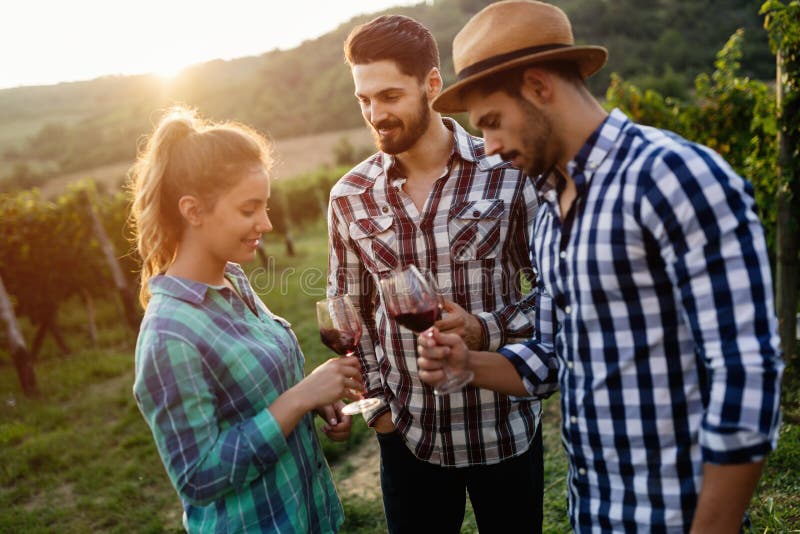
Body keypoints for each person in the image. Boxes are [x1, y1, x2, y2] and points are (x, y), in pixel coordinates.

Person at [417, 1, 784, 532]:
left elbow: (747, 374)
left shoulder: (673, 177)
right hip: (595, 513)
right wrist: (469, 365)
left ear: (539, 86)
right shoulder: (548, 210)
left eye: (493, 122)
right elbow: (552, 357)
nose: (490, 148)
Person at [327, 14, 546, 533]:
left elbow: (557, 294)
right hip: (409, 440)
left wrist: (483, 329)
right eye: (364, 101)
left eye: (389, 96)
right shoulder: (349, 198)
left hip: (504, 427)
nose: (376, 114)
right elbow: (347, 314)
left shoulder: (507, 173)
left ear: (432, 84)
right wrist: (379, 412)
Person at [130, 106, 364, 533]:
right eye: (249, 209)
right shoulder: (169, 336)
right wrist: (297, 400)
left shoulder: (234, 281)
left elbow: (251, 401)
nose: (267, 223)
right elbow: (199, 478)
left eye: (266, 206)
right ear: (193, 211)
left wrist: (315, 400)